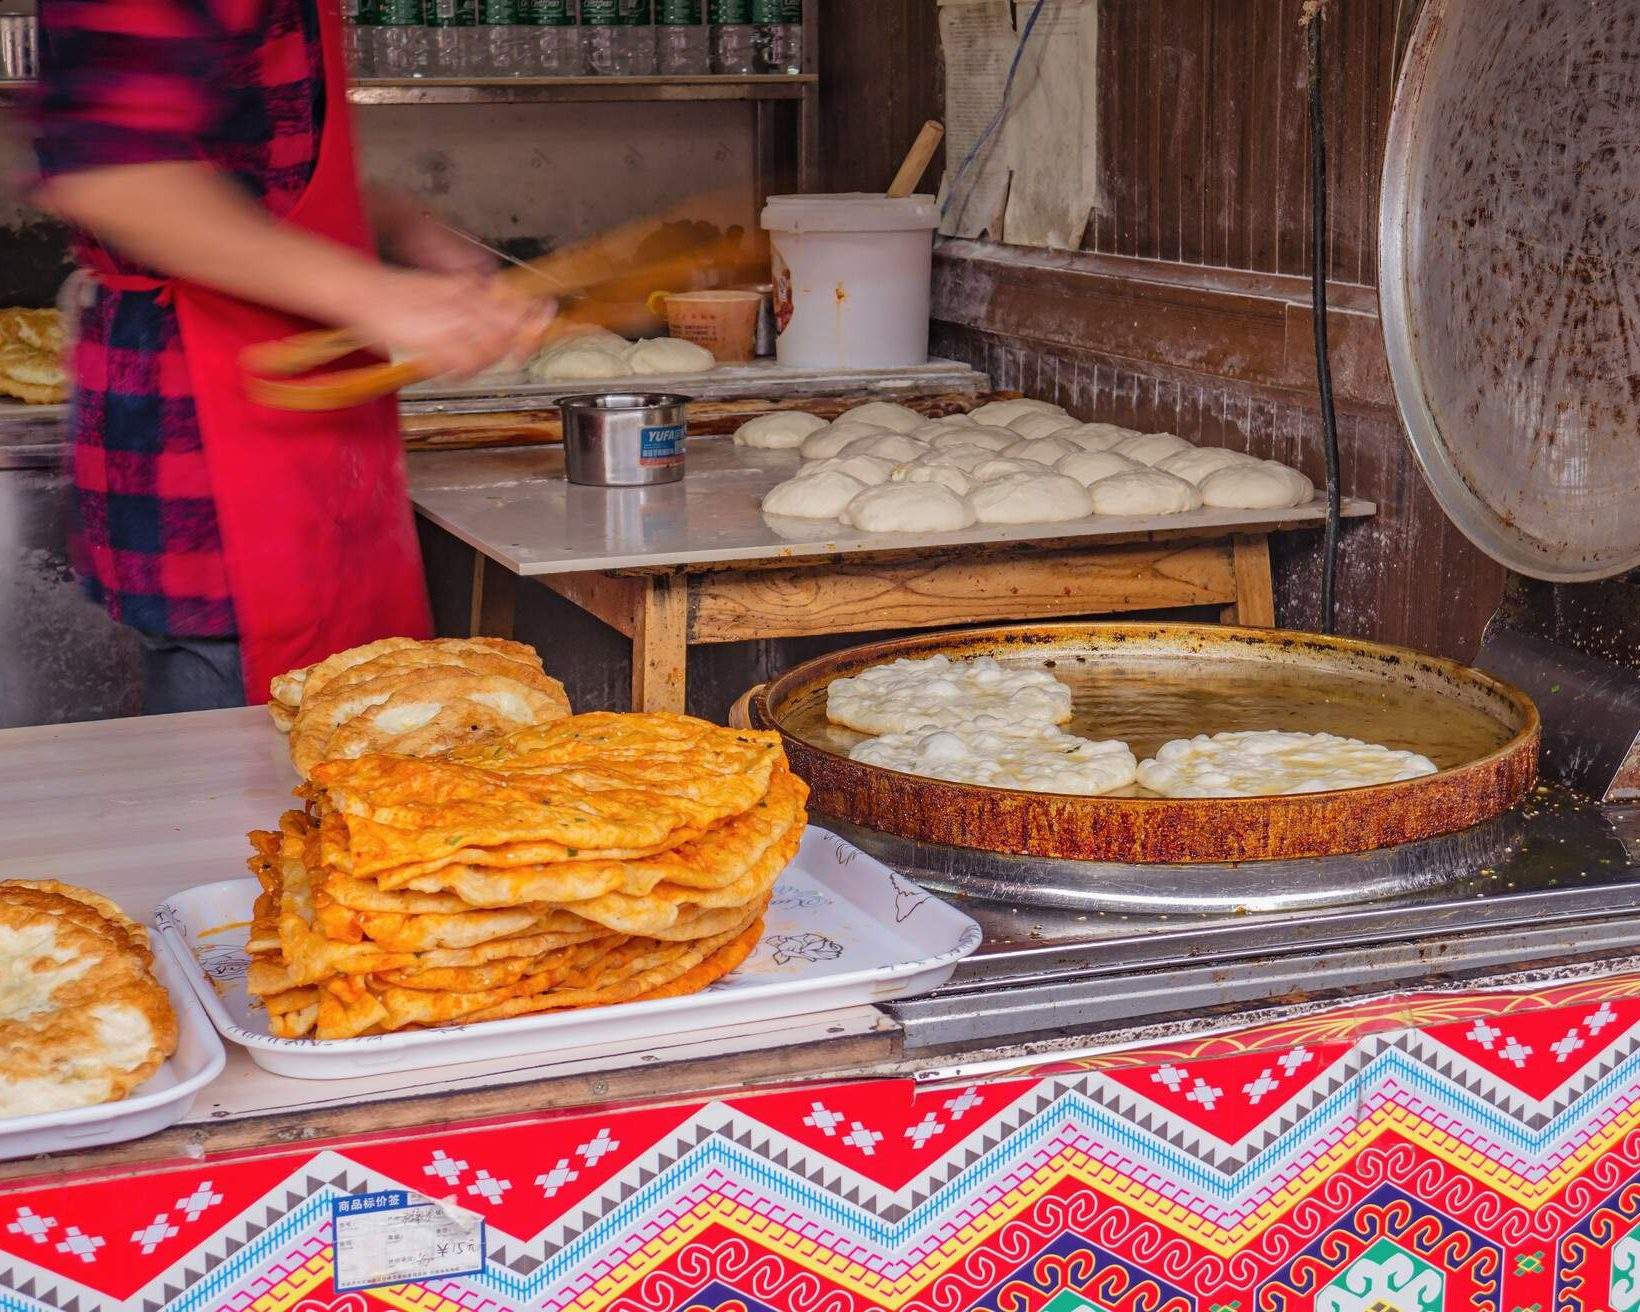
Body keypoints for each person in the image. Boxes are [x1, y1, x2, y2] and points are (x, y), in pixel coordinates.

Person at [31, 0, 550, 714]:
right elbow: (113, 174)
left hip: (311, 442)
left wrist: (396, 225)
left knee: (356, 762)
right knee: (257, 798)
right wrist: (374, 294)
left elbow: (248, 168)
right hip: (214, 450)